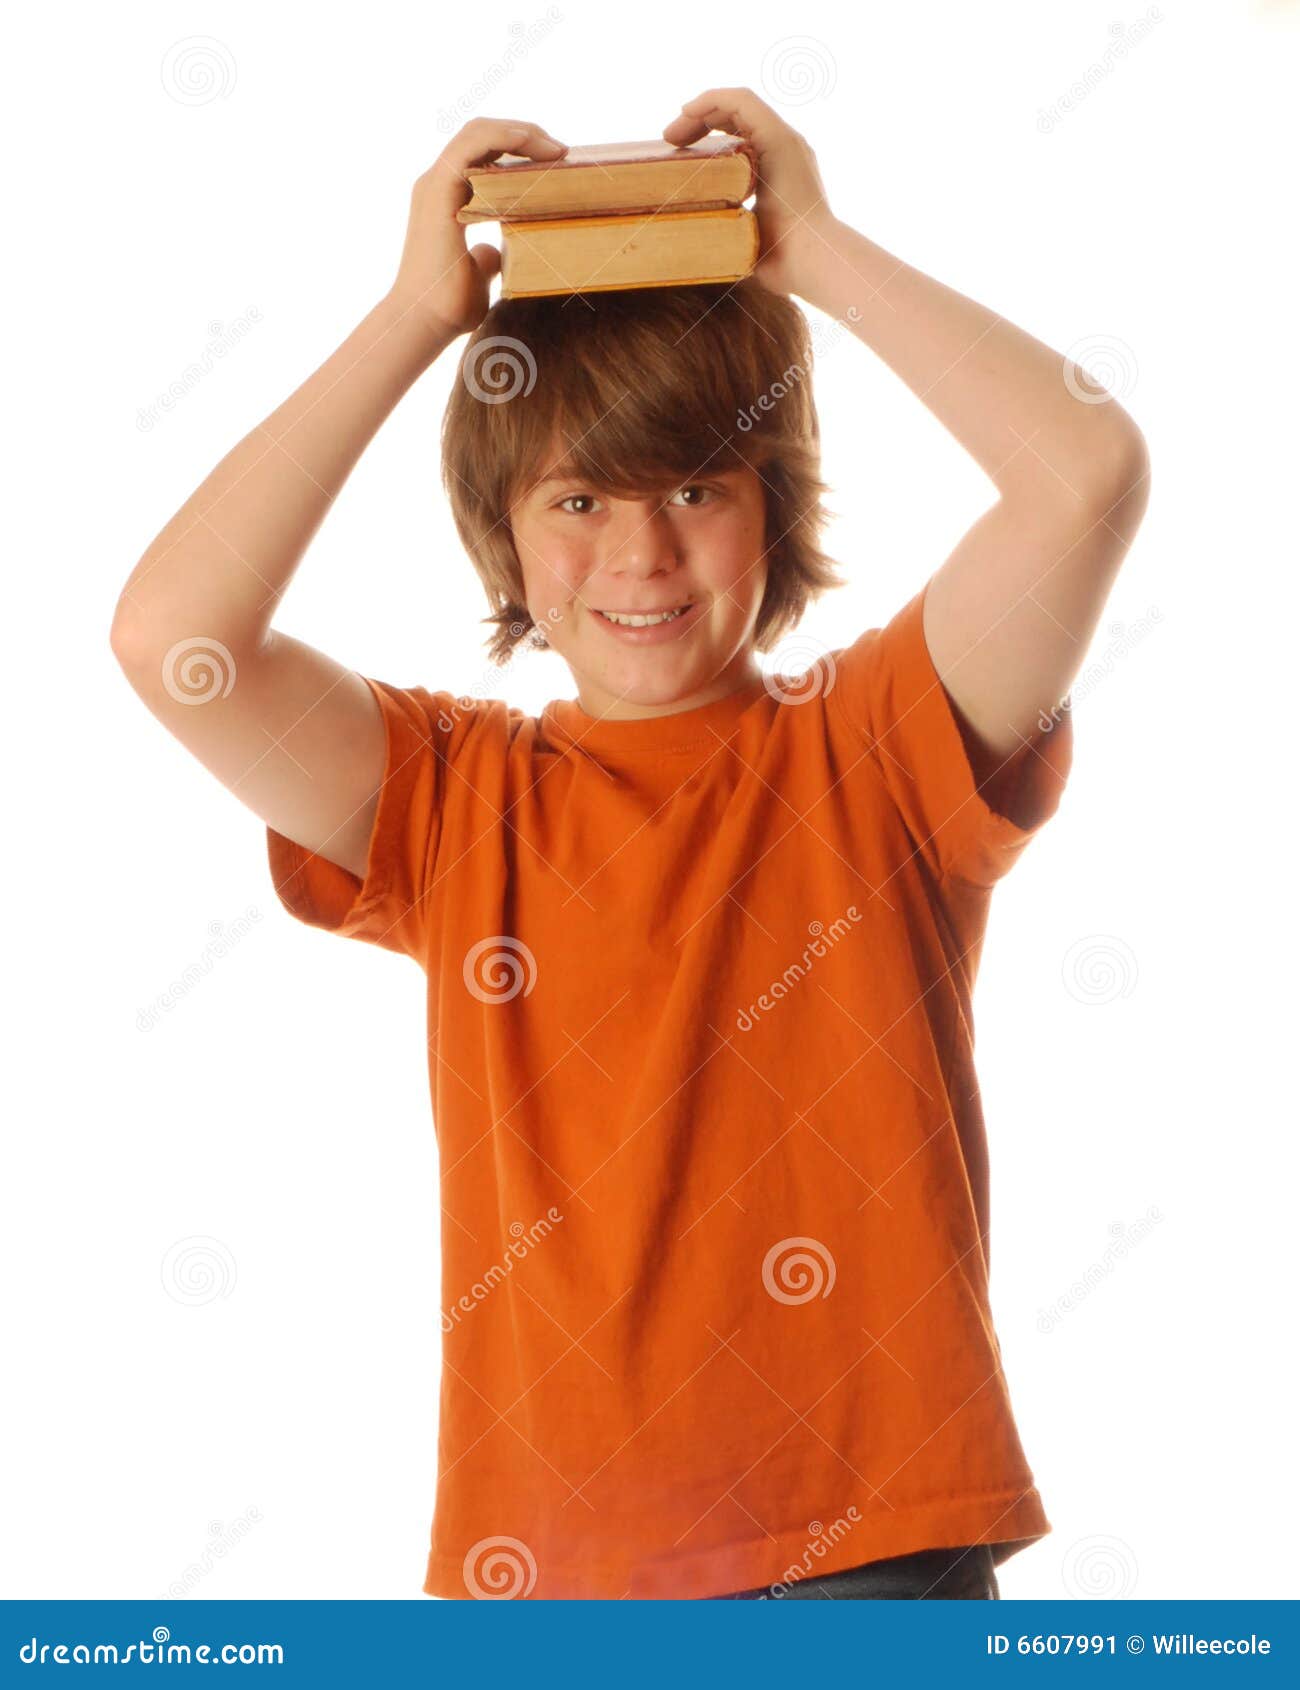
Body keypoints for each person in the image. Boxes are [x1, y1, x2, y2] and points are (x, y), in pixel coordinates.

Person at [110, 86, 1150, 1601]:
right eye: (579, 496)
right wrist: (416, 313)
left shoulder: (873, 749)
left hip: (865, 1558)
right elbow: (170, 637)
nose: (643, 553)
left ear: (771, 507)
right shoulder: (457, 797)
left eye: (697, 489)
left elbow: (1088, 476)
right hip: (544, 1581)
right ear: (507, 537)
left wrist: (812, 248)